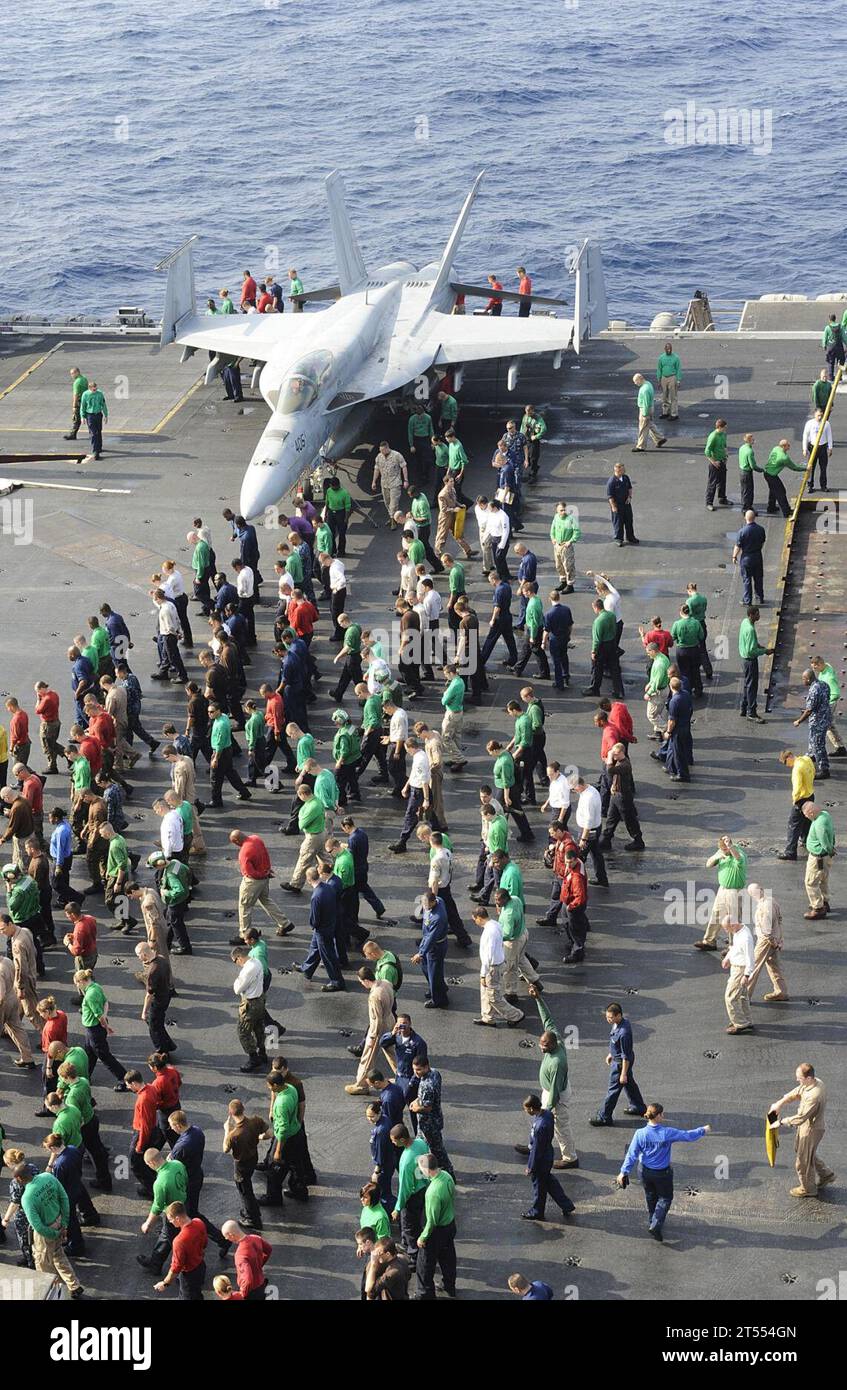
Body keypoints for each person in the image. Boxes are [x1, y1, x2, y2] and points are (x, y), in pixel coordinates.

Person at [616, 1105, 710, 1240]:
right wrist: (703, 1130)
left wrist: (623, 1172)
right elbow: (687, 1136)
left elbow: (632, 1154)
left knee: (650, 1195)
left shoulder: (640, 1133)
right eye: (662, 1114)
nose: (663, 1117)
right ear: (658, 1116)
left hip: (644, 1171)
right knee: (665, 1198)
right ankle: (656, 1224)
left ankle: (652, 1219)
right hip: (662, 1173)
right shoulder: (667, 1133)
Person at [770, 1063, 834, 1198]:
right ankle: (826, 1174)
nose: (797, 1080)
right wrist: (779, 1104)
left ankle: (808, 1189)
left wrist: (780, 1122)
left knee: (802, 1161)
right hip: (809, 1126)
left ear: (809, 1078)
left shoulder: (814, 1096)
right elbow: (798, 1090)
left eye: (799, 1078)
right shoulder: (816, 1082)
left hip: (811, 1129)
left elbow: (801, 1118)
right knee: (805, 1153)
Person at [19, 1167, 84, 1297]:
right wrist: (64, 1224)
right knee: (58, 1255)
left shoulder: (27, 1197)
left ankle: (55, 1295)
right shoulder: (48, 1177)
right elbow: (64, 1198)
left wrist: (53, 1234)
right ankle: (74, 1285)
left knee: (44, 1266)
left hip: (45, 1234)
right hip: (58, 1221)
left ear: (19, 1179)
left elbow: (37, 1225)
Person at [520, 1094, 575, 1222]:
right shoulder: (547, 1115)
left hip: (541, 1161)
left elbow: (536, 1151)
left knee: (539, 1187)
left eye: (526, 1109)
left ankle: (537, 1211)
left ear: (532, 1109)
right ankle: (566, 1205)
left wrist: (530, 1167)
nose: (526, 1111)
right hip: (547, 1156)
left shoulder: (540, 1127)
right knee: (549, 1183)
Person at [229, 829, 293, 939]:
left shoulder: (244, 852)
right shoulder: (256, 838)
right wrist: (267, 871)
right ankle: (285, 923)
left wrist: (262, 875)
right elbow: (266, 855)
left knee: (245, 906)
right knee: (265, 900)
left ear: (236, 840)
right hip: (265, 877)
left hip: (253, 882)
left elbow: (250, 873)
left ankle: (244, 934)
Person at [590, 1003, 646, 1126]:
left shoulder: (624, 1032)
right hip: (618, 1059)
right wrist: (611, 1053)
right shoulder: (618, 1024)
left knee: (613, 1090)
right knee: (629, 1084)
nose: (608, 1019)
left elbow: (625, 1055)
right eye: (607, 1017)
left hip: (621, 1064)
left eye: (610, 1017)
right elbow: (616, 1044)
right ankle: (639, 1107)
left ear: (618, 1015)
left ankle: (604, 1117)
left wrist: (623, 1073)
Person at [344, 966, 395, 1095]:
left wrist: (372, 1038)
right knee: (392, 1054)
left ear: (366, 980)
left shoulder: (374, 996)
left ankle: (361, 1085)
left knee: (367, 1058)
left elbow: (376, 1019)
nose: (362, 984)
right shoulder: (386, 983)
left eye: (361, 982)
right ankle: (404, 1076)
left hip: (379, 1029)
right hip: (390, 1020)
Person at [472, 905, 524, 1028]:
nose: (475, 922)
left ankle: (516, 1015)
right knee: (485, 992)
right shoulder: (495, 924)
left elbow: (488, 956)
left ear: (479, 918)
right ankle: (488, 1017)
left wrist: (483, 974)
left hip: (492, 968)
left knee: (493, 996)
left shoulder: (489, 932)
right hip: (498, 964)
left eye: (475, 919)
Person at [415, 1152, 457, 1299]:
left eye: (421, 1169)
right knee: (448, 1258)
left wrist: (422, 1237)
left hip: (436, 1232)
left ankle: (424, 1294)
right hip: (450, 1225)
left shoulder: (432, 1193)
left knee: (424, 1265)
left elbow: (431, 1221)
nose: (420, 1172)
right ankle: (449, 1285)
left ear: (427, 1170)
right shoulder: (446, 1175)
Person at [223, 1098, 266, 1229]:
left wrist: (227, 1130)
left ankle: (253, 1218)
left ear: (230, 1113)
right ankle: (250, 1211)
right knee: (247, 1187)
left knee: (245, 1191)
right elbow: (268, 1134)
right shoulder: (255, 1121)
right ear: (243, 1109)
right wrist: (257, 1136)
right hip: (253, 1158)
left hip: (241, 1165)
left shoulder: (234, 1134)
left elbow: (225, 1149)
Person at [389, 1124, 429, 1267]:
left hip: (411, 1197)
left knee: (409, 1227)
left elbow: (405, 1189)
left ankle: (414, 1258)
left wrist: (398, 1208)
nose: (393, 1143)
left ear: (402, 1139)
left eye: (394, 1140)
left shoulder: (406, 1160)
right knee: (417, 1222)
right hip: (423, 1188)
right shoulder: (420, 1143)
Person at [152, 1202, 207, 1300]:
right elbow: (205, 1243)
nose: (170, 1222)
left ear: (177, 1219)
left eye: (170, 1220)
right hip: (200, 1267)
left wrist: (165, 1283)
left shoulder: (179, 1241)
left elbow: (176, 1267)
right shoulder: (199, 1222)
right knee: (197, 1294)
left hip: (189, 1276)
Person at [410, 1055, 453, 1175]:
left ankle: (447, 1174)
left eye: (418, 1070)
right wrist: (417, 1099)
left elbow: (427, 1108)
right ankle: (429, 1171)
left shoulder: (427, 1085)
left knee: (437, 1150)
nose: (416, 1073)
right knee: (429, 1148)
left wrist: (415, 1108)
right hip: (435, 1120)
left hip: (429, 1124)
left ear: (426, 1067)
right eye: (414, 1069)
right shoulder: (435, 1073)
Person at [746, 882, 788, 1003]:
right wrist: (780, 939)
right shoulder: (772, 901)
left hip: (766, 942)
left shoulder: (764, 907)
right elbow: (780, 920)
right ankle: (781, 991)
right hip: (774, 939)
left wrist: (774, 942)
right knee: (774, 966)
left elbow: (766, 931)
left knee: (753, 966)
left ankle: (745, 996)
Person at [231, 945, 268, 1073]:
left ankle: (253, 1058)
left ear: (239, 957)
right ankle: (262, 1053)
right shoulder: (256, 962)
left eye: (235, 961)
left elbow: (237, 989)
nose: (236, 964)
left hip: (250, 1004)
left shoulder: (247, 970)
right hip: (260, 999)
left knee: (243, 1032)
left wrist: (237, 980)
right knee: (258, 1028)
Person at [721, 916, 755, 1035]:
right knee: (742, 996)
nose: (726, 931)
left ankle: (739, 1023)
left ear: (734, 925)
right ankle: (747, 1020)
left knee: (730, 997)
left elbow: (750, 959)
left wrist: (746, 976)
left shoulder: (746, 939)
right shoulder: (739, 931)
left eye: (727, 928)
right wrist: (727, 958)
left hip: (740, 970)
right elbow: (735, 947)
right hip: (736, 967)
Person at [220, 1221, 272, 1299]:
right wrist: (259, 1264)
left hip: (251, 1292)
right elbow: (269, 1249)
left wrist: (242, 1294)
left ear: (231, 1235)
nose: (227, 1239)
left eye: (226, 1237)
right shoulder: (256, 1238)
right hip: (261, 1284)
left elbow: (248, 1280)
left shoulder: (240, 1255)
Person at [795, 668, 832, 777]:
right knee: (813, 739)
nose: (802, 681)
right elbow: (826, 699)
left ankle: (824, 769)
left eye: (803, 679)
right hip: (825, 717)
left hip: (818, 721)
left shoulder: (814, 690)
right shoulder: (824, 684)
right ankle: (812, 756)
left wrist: (799, 720)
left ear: (808, 679)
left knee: (818, 744)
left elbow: (809, 710)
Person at [738, 606, 772, 722]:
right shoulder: (750, 629)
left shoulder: (745, 622)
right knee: (752, 687)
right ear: (752, 615)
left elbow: (749, 641)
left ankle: (743, 707)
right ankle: (751, 713)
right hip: (750, 660)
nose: (759, 616)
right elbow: (751, 651)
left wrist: (758, 645)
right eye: (757, 614)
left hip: (744, 659)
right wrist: (764, 651)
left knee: (747, 685)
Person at [802, 801, 835, 920]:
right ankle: (825, 901)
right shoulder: (825, 814)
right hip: (825, 857)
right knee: (823, 879)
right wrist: (831, 849)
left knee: (811, 882)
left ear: (811, 812)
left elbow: (824, 840)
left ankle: (818, 908)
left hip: (818, 857)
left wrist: (829, 849)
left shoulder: (819, 824)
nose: (806, 817)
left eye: (806, 815)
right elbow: (831, 833)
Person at [810, 654, 847, 757]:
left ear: (821, 664)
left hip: (828, 704)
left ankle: (814, 751)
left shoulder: (829, 677)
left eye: (815, 666)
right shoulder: (826, 667)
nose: (814, 669)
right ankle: (840, 747)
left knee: (820, 727)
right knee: (829, 725)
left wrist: (825, 704)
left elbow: (835, 693)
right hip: (827, 703)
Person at [732, 508, 767, 606]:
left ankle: (747, 600)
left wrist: (734, 556)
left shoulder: (742, 532)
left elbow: (738, 546)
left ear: (745, 518)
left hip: (746, 558)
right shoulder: (761, 529)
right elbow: (763, 542)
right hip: (757, 556)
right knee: (758, 578)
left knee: (747, 579)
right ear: (754, 517)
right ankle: (760, 597)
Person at [763, 439, 804, 516]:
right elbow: (794, 467)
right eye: (788, 445)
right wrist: (805, 468)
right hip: (772, 476)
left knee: (773, 490)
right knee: (781, 492)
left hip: (767, 472)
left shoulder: (775, 448)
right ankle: (786, 512)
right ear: (783, 446)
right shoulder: (784, 457)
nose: (789, 446)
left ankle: (771, 507)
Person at [372, 442, 408, 524]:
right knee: (387, 502)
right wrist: (374, 481)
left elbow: (404, 467)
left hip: (395, 483)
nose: (381, 452)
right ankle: (393, 517)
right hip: (384, 483)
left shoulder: (397, 455)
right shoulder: (379, 457)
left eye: (383, 450)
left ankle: (393, 521)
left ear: (387, 448)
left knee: (394, 504)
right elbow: (376, 469)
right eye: (380, 450)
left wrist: (406, 480)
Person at [631, 373, 666, 451]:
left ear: (640, 379)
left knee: (643, 428)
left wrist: (645, 414)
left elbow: (646, 403)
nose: (635, 383)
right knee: (650, 424)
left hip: (645, 409)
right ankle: (660, 439)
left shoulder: (645, 389)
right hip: (650, 408)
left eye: (636, 381)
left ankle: (640, 446)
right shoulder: (648, 383)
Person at [802, 407, 833, 492]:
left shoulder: (826, 424)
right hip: (812, 447)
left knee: (823, 468)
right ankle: (810, 485)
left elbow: (829, 436)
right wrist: (804, 449)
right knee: (811, 467)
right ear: (814, 415)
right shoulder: (809, 423)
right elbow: (805, 436)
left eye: (821, 416)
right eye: (818, 415)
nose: (820, 417)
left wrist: (830, 448)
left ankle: (823, 486)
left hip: (822, 447)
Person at [704, 418, 729, 509]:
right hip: (715, 463)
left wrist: (726, 455)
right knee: (712, 483)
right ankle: (709, 503)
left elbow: (724, 445)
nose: (725, 429)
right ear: (719, 427)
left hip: (722, 461)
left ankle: (722, 498)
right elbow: (707, 451)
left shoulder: (723, 434)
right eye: (724, 427)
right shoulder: (713, 436)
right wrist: (713, 462)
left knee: (722, 481)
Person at [79, 379, 108, 459]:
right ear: (90, 388)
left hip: (98, 414)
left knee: (99, 431)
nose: (95, 390)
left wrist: (106, 415)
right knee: (93, 433)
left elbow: (103, 404)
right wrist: (82, 416)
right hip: (90, 415)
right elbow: (83, 406)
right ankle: (95, 451)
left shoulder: (100, 394)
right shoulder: (85, 395)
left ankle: (99, 447)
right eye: (93, 389)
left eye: (96, 389)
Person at [656, 340, 682, 419]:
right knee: (664, 396)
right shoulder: (661, 358)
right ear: (665, 349)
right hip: (664, 377)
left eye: (670, 349)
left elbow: (678, 369)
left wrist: (678, 380)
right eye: (667, 349)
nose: (669, 350)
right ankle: (665, 412)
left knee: (673, 396)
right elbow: (659, 369)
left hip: (672, 377)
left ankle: (674, 414)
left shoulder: (676, 358)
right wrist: (659, 380)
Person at [63, 364, 88, 441]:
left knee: (76, 418)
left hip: (79, 402)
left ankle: (73, 434)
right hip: (86, 400)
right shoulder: (84, 379)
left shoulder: (77, 382)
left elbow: (76, 395)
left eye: (72, 373)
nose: (72, 375)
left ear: (77, 372)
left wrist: (74, 406)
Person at [821, 312, 845, 380]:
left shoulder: (827, 328)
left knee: (830, 362)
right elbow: (844, 337)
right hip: (839, 347)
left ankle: (831, 376)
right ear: (835, 319)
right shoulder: (840, 327)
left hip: (831, 347)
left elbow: (824, 337)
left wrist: (824, 345)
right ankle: (839, 376)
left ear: (830, 320)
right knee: (841, 361)